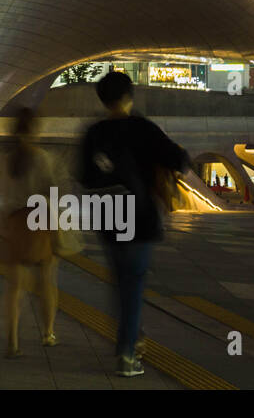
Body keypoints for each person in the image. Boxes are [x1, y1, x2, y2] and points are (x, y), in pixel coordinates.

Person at [79, 71, 187, 378]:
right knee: (133, 284)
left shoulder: (94, 133)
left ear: (102, 99)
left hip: (108, 216)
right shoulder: (143, 128)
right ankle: (127, 353)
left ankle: (131, 336)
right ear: (129, 96)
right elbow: (178, 159)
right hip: (139, 219)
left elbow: (85, 176)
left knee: (121, 282)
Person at [0, 108, 59, 358]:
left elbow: (2, 197)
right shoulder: (42, 158)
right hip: (38, 221)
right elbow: (51, 194)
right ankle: (48, 333)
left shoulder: (4, 160)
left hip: (14, 223)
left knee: (14, 287)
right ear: (34, 130)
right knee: (47, 281)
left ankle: (12, 341)